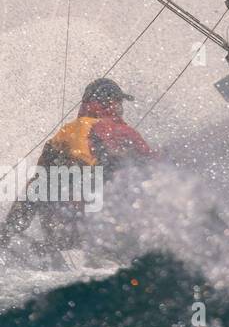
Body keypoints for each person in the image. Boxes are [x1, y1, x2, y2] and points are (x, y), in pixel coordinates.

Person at [0, 79, 153, 250]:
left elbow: (39, 181)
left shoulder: (72, 128)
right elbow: (154, 164)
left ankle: (11, 232)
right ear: (109, 102)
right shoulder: (124, 131)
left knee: (42, 182)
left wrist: (13, 223)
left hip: (72, 219)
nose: (120, 107)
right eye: (119, 101)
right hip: (107, 220)